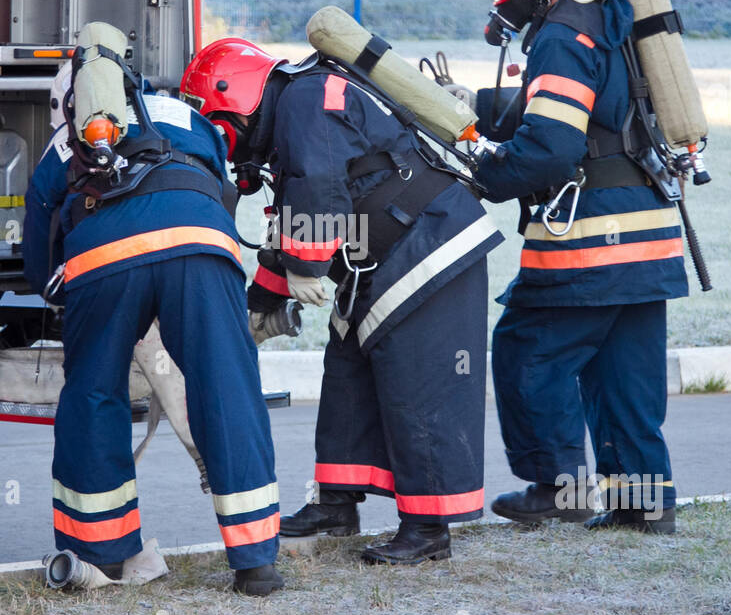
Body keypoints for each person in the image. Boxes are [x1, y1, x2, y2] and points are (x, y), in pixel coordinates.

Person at [180, 38, 502, 564]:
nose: (231, 147)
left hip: (431, 247)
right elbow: (293, 207)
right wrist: (261, 299)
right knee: (347, 376)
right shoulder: (297, 109)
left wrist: (305, 266)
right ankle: (336, 503)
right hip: (387, 251)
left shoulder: (308, 100)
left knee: (416, 384)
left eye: (225, 129)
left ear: (234, 96)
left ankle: (427, 529)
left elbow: (319, 186)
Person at [23, 41, 284, 595]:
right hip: (201, 241)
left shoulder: (59, 144)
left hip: (102, 257)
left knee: (94, 394)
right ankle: (256, 561)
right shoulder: (185, 114)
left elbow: (38, 258)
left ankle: (100, 554)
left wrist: (70, 299)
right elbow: (225, 187)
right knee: (226, 384)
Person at [462, 0, 686, 533]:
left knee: (526, 349)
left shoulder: (561, 33)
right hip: (648, 237)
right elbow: (592, 113)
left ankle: (556, 487)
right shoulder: (612, 13)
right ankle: (645, 503)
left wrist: (483, 175)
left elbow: (552, 149)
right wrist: (478, 104)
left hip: (591, 245)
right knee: (623, 376)